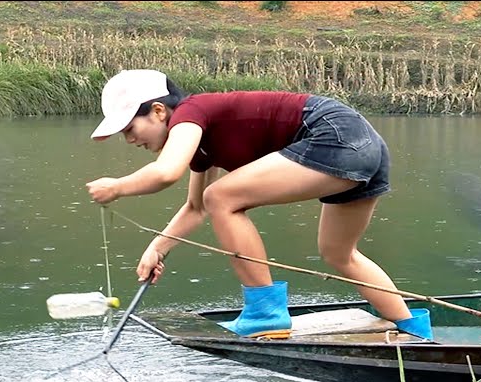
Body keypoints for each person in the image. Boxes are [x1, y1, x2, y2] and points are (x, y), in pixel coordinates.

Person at [84, 69, 431, 340]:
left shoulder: (191, 113)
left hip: (333, 134)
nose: (129, 140)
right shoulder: (200, 144)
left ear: (159, 111)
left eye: (130, 128)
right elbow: (195, 208)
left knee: (221, 196)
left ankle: (265, 314)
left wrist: (118, 187)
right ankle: (415, 331)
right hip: (365, 144)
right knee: (339, 254)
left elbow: (166, 173)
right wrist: (156, 248)